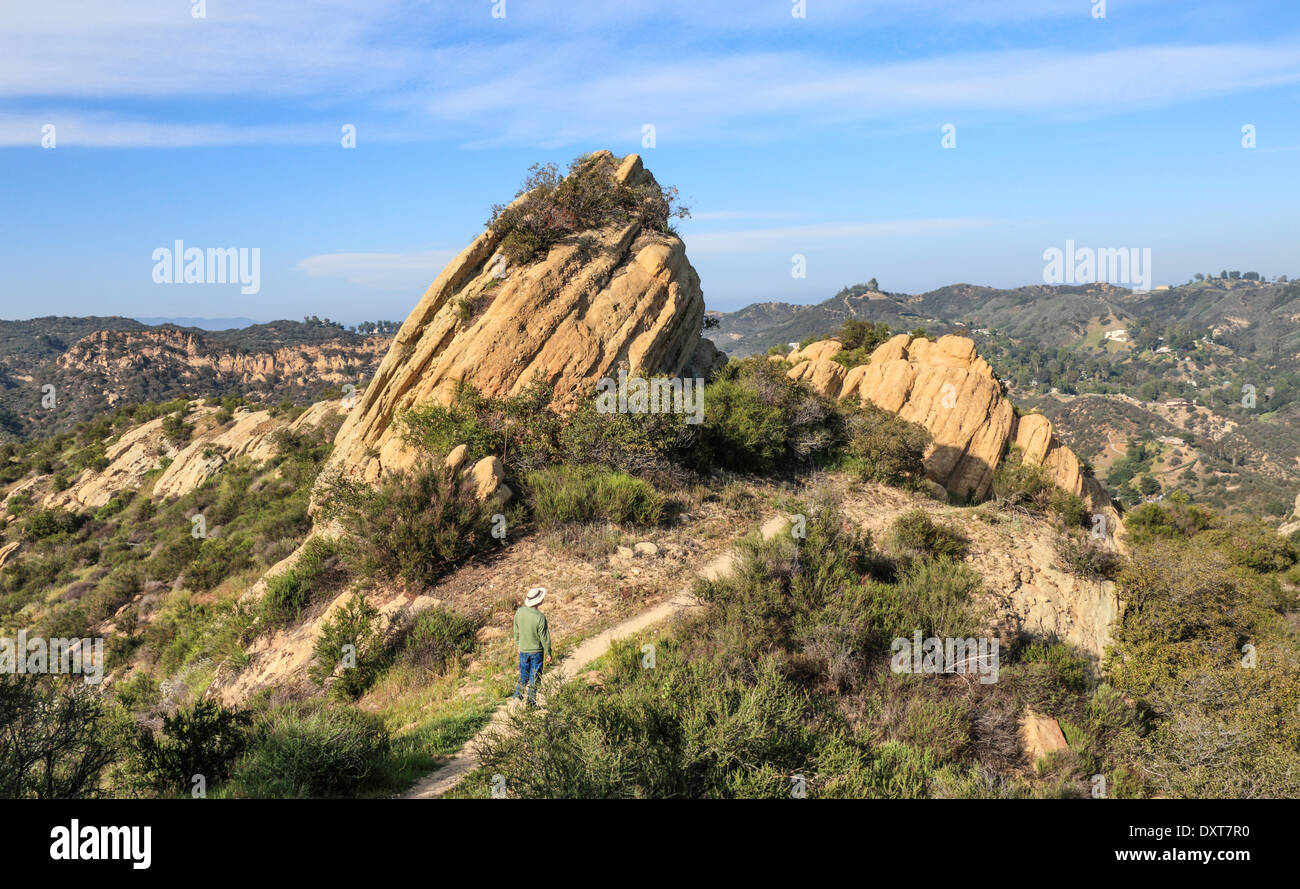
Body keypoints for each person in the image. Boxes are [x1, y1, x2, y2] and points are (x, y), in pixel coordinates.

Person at [511, 586, 552, 706]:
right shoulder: (540, 617)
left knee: (523, 674)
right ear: (538, 601)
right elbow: (544, 638)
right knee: (535, 677)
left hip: (523, 650)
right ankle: (531, 703)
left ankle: (517, 697)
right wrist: (548, 652)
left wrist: (518, 645)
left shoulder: (519, 612)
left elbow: (516, 631)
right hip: (537, 652)